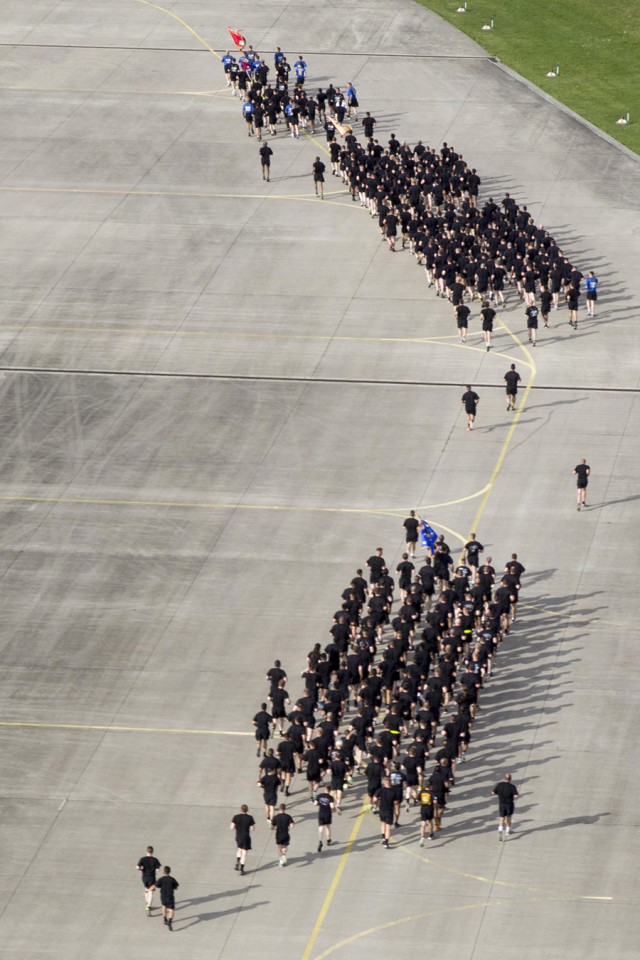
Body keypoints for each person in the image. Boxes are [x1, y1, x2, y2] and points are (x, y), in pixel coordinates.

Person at [492, 773, 519, 840]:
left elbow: (493, 793)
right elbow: (516, 796)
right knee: (508, 817)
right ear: (510, 779)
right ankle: (507, 831)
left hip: (502, 804)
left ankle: (500, 830)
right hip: (509, 804)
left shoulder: (499, 785)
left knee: (502, 817)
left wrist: (499, 794)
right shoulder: (512, 787)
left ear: (504, 778)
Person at [230, 804, 256, 874]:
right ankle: (241, 869)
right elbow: (253, 828)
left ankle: (237, 861)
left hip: (238, 836)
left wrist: (237, 827)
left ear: (240, 809)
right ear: (247, 810)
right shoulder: (250, 818)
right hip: (246, 836)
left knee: (239, 849)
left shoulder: (236, 817)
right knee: (244, 853)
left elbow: (232, 827)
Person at [152, 865, 179, 930]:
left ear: (163, 872)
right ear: (169, 872)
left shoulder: (161, 879)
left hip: (163, 895)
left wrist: (147, 891)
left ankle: (165, 919)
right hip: (170, 896)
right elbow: (176, 887)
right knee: (171, 909)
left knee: (163, 906)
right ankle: (170, 921)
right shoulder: (172, 879)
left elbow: (155, 886)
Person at [136, 845, 161, 915]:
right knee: (151, 892)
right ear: (152, 852)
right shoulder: (155, 860)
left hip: (144, 877)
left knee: (146, 890)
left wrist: (142, 869)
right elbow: (158, 870)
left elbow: (137, 867)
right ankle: (148, 906)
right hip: (152, 877)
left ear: (146, 851)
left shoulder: (142, 859)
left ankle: (147, 903)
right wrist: (154, 870)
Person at [373, 776, 397, 847]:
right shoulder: (393, 792)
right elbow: (396, 803)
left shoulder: (380, 790)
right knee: (388, 827)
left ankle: (383, 837)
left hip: (382, 810)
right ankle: (386, 842)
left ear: (383, 782)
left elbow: (374, 799)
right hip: (389, 811)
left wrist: (375, 803)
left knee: (382, 823)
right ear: (390, 782)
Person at [314, 786, 335, 851]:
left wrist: (320, 804)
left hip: (321, 813)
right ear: (329, 791)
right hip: (327, 814)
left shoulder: (320, 795)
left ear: (325, 790)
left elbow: (315, 804)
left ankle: (320, 841)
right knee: (327, 827)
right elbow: (332, 807)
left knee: (320, 828)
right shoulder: (330, 797)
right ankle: (328, 840)